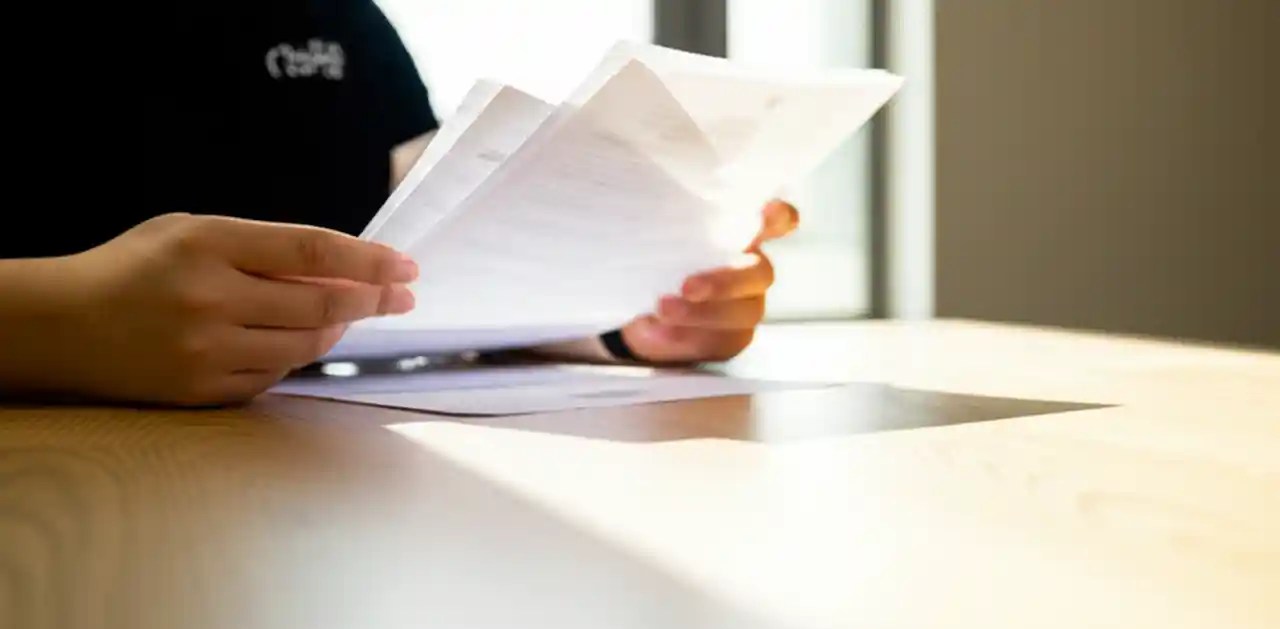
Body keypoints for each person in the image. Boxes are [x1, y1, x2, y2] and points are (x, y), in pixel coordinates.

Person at [0, 1, 798, 407]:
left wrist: (616, 316)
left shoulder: (338, 22)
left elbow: (421, 240)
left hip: (310, 505)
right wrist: (57, 321)